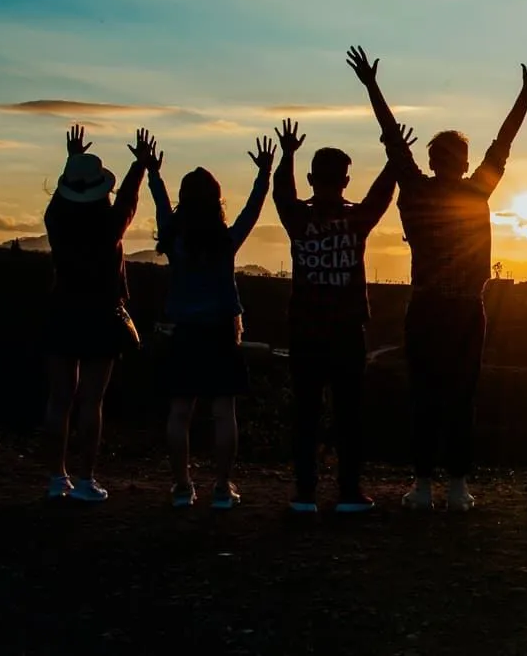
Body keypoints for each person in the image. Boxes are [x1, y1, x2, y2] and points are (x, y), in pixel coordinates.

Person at [347, 45, 527, 512]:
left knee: (424, 395)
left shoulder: (416, 189)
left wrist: (372, 86)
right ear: (462, 161)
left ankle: (422, 485)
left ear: (432, 158)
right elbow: (504, 141)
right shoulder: (476, 190)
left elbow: (392, 140)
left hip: (425, 307)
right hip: (464, 308)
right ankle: (457, 486)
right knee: (462, 395)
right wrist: (525, 91)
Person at [272, 118, 414, 515]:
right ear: (346, 180)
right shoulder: (357, 219)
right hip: (347, 330)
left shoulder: (298, 219)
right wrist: (394, 157)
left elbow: (281, 192)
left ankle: (304, 492)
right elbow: (382, 195)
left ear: (312, 177)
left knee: (305, 412)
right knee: (349, 413)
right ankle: (349, 491)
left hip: (304, 329)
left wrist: (286, 154)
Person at [148, 135, 275, 510]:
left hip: (184, 332)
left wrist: (153, 173)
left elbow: (159, 204)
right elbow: (252, 210)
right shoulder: (224, 240)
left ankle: (182, 486)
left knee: (180, 411)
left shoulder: (173, 237)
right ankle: (222, 487)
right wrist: (264, 175)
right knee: (223, 412)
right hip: (221, 332)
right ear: (216, 200)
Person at [42, 125, 151, 502]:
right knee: (91, 400)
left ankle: (57, 477)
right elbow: (130, 201)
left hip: (62, 309)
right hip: (101, 314)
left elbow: (64, 197)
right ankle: (86, 479)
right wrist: (140, 164)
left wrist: (72, 159)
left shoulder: (55, 220)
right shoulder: (109, 225)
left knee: (59, 399)